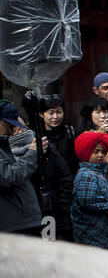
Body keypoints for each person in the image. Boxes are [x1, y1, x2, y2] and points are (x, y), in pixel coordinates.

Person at [30, 94, 78, 241]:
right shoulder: (35, 137)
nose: (55, 116)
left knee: (68, 238)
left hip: (69, 192)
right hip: (47, 198)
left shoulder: (70, 132)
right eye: (51, 113)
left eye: (59, 112)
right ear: (41, 114)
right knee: (49, 239)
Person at [70, 131, 108, 249]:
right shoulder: (86, 175)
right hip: (91, 233)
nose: (100, 155)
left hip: (103, 233)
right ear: (86, 153)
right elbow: (90, 203)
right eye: (95, 151)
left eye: (103, 151)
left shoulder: (100, 172)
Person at [0, 103, 42, 236]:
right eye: (9, 125)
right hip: (12, 225)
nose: (12, 131)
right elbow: (9, 176)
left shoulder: (3, 145)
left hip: (21, 221)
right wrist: (32, 153)